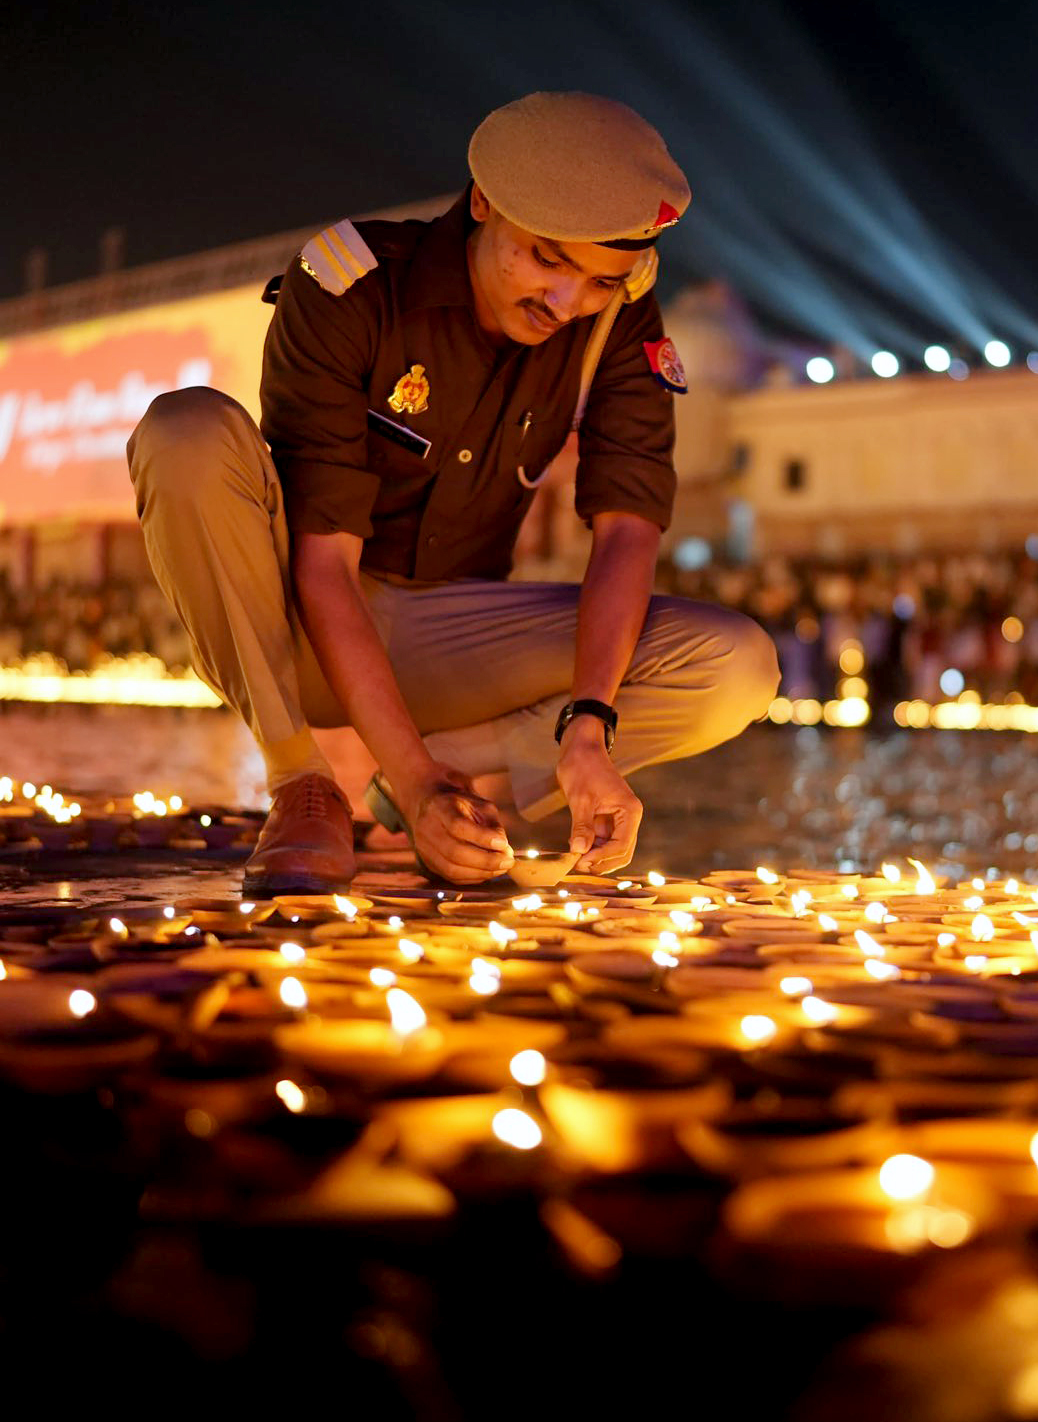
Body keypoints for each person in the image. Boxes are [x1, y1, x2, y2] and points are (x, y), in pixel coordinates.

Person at [128, 92, 778, 894]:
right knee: (185, 432)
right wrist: (413, 781)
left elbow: (627, 532)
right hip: (295, 620)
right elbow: (324, 563)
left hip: (451, 638)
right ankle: (302, 781)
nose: (565, 303)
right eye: (546, 260)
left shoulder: (617, 324)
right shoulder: (354, 287)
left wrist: (587, 729)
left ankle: (447, 770)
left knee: (737, 665)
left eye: (599, 282)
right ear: (483, 205)